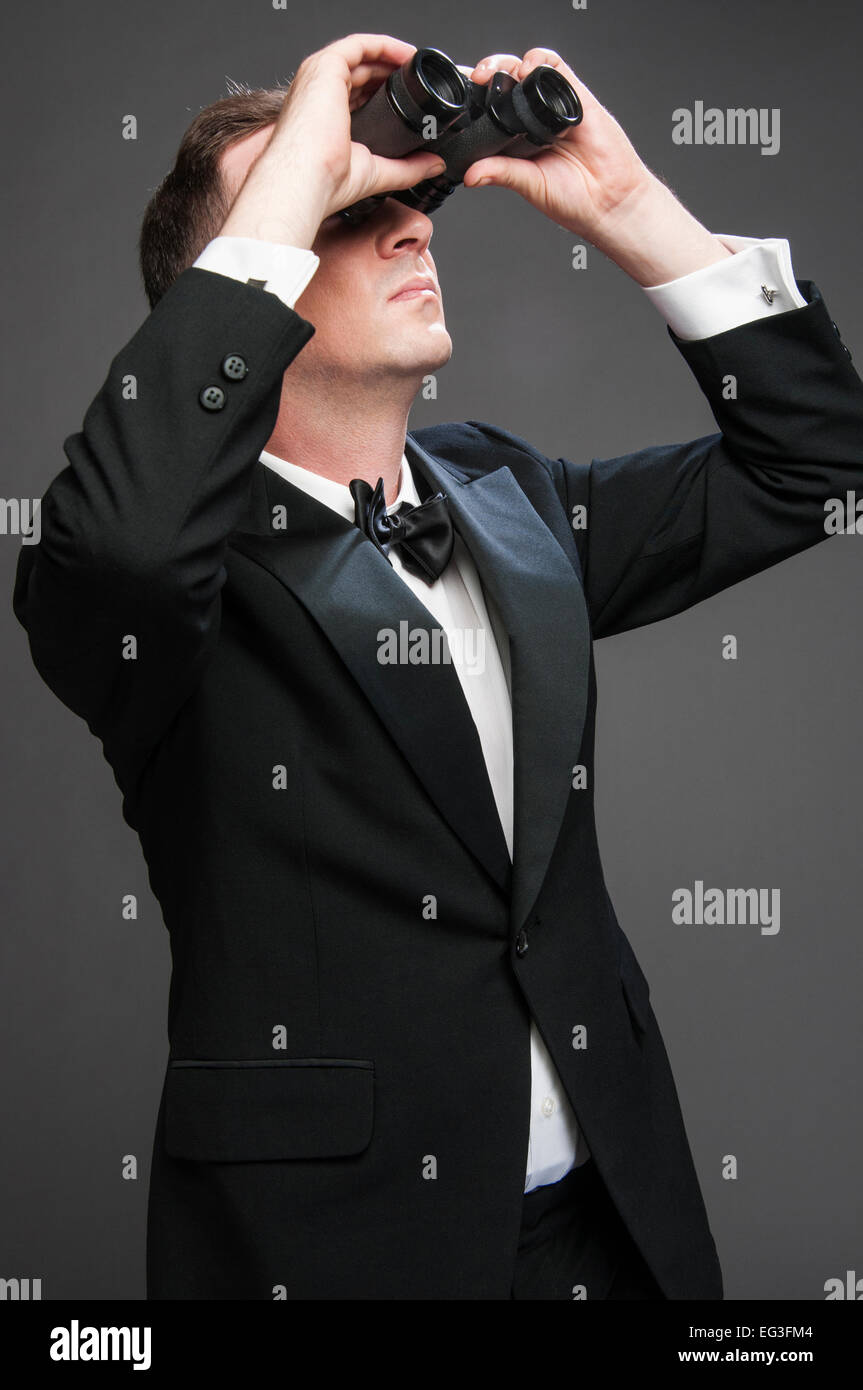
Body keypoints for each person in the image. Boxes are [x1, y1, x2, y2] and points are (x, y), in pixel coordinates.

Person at [13, 32, 863, 1300]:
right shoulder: (168, 573)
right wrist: (288, 172)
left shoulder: (508, 493)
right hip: (340, 1252)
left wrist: (628, 207)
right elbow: (121, 545)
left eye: (411, 197)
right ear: (233, 289)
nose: (411, 228)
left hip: (612, 1221)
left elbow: (813, 464)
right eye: (348, 208)